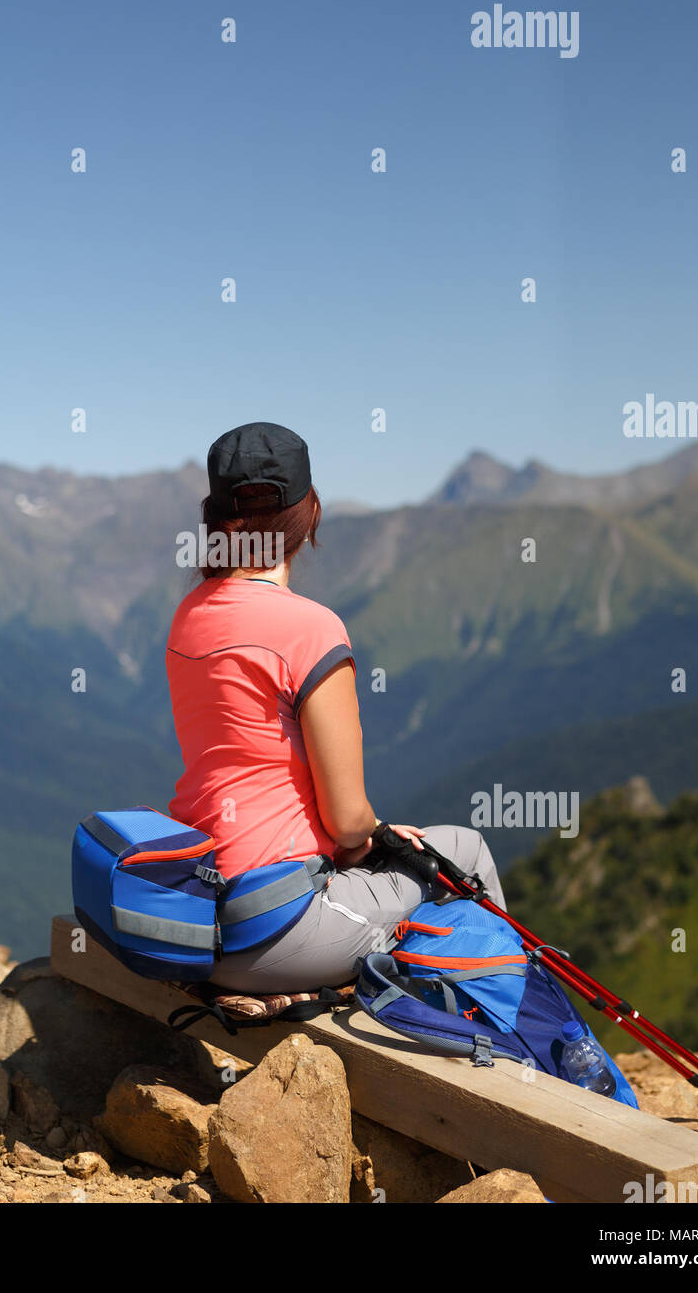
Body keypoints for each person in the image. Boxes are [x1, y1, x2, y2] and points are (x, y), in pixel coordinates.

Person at [165, 421, 507, 994]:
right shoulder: (311, 629)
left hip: (196, 909)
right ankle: (518, 1049)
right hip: (273, 929)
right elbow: (348, 822)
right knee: (462, 852)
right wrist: (372, 835)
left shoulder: (191, 612)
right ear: (310, 515)